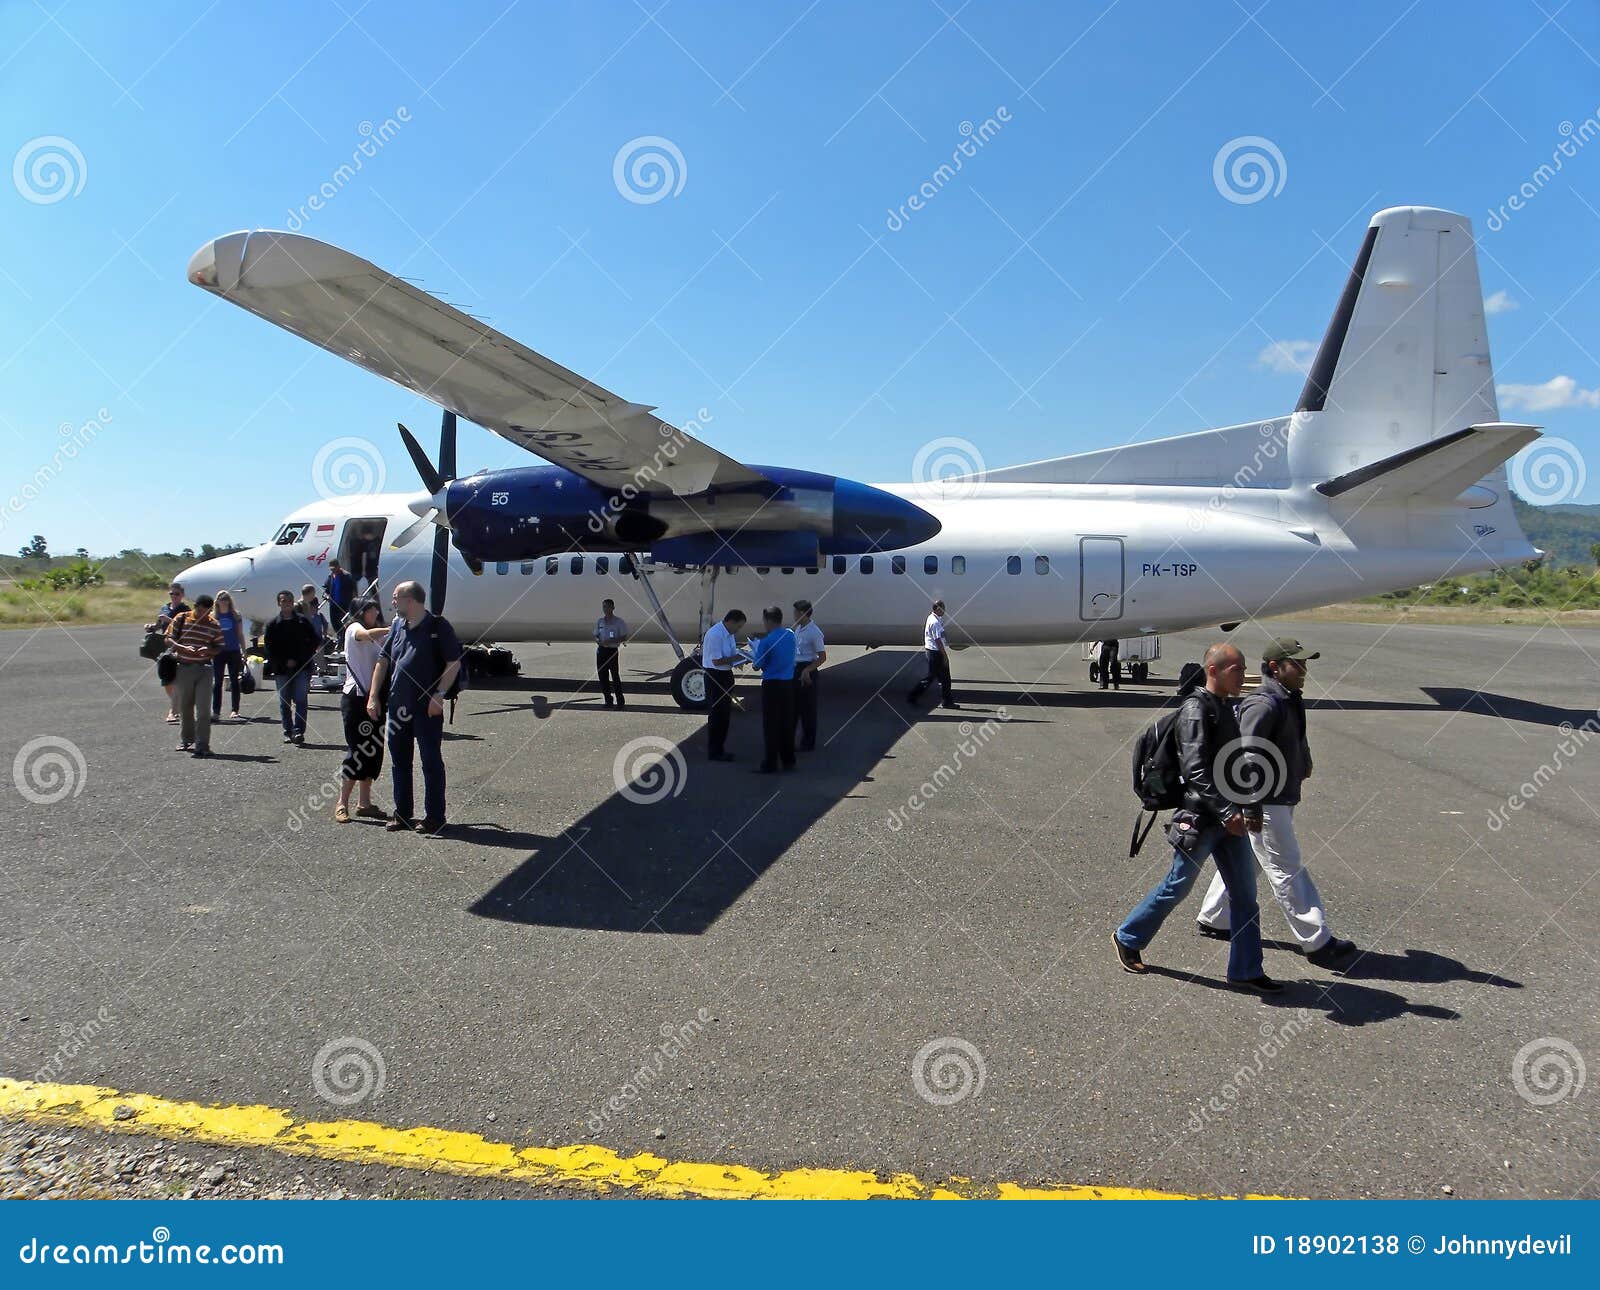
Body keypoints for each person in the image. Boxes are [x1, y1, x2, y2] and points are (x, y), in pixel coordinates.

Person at [1113, 642, 1281, 992]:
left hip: (1229, 818)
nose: (1243, 675)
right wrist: (1226, 812)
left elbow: (1236, 765)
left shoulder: (1227, 707)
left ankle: (1246, 969)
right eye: (1237, 669)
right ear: (1214, 671)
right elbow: (1195, 770)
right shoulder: (1195, 709)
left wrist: (1249, 807)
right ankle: (1128, 936)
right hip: (1201, 819)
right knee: (1177, 886)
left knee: (1245, 895)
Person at [1195, 638, 1357, 969]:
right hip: (1266, 802)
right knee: (1286, 868)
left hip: (1278, 797)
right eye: (1297, 664)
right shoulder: (1264, 703)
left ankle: (1214, 918)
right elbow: (1246, 755)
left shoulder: (1287, 699)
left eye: (1305, 663)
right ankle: (1317, 941)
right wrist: (1251, 805)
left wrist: (1304, 759)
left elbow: (1292, 738)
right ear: (1274, 667)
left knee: (1252, 861)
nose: (1304, 670)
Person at [368, 580, 463, 835]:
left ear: (411, 600)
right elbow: (383, 662)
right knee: (400, 762)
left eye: (396, 597)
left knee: (430, 761)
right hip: (398, 707)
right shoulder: (398, 626)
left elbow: (453, 663)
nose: (392, 602)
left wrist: (439, 695)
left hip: (426, 709)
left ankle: (434, 817)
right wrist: (374, 696)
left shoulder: (437, 626)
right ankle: (403, 814)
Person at [335, 598, 391, 824]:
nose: (376, 612)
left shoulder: (378, 634)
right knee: (357, 749)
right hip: (356, 698)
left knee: (373, 750)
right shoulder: (354, 628)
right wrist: (391, 628)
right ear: (361, 612)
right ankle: (341, 803)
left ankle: (364, 803)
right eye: (371, 609)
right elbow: (366, 636)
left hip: (375, 698)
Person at [165, 593, 224, 756]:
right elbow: (168, 639)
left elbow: (219, 646)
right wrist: (181, 647)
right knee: (185, 706)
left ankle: (203, 744)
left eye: (207, 612)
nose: (203, 615)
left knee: (204, 708)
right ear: (195, 607)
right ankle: (186, 740)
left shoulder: (214, 624)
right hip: (184, 667)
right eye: (201, 611)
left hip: (204, 668)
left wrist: (209, 650)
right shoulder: (181, 618)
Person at [263, 589, 320, 745]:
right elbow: (269, 648)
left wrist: (300, 658)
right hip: (281, 669)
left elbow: (315, 641)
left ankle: (298, 731)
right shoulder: (273, 625)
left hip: (302, 667)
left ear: (293, 602)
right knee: (284, 701)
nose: (287, 603)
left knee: (301, 699)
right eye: (283, 601)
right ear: (279, 603)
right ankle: (288, 731)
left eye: (289, 600)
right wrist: (283, 661)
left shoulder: (303, 621)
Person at [750, 606, 797, 774]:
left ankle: (770, 763)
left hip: (772, 685)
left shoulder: (766, 641)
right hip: (788, 684)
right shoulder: (790, 635)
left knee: (771, 725)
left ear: (768, 620)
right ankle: (788, 760)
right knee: (786, 723)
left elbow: (757, 665)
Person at [701, 609, 747, 762]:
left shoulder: (729, 634)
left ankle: (720, 749)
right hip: (715, 676)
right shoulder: (715, 634)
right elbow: (717, 661)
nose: (738, 630)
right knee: (717, 715)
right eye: (738, 626)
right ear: (731, 622)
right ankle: (714, 751)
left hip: (725, 675)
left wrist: (741, 660)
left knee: (725, 714)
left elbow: (731, 654)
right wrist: (739, 656)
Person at [147, 582, 189, 723]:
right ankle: (178, 705)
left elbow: (186, 628)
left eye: (177, 594)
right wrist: (151, 627)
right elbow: (159, 625)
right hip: (164, 647)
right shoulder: (165, 608)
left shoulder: (186, 610)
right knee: (165, 680)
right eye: (172, 593)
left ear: (182, 595)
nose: (174, 596)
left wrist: (170, 620)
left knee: (177, 679)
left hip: (179, 646)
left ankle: (173, 710)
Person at [907, 599, 959, 709]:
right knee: (931, 678)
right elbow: (938, 640)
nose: (944, 611)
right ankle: (912, 696)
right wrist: (945, 656)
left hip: (933, 652)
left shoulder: (932, 618)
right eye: (942, 609)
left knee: (945, 678)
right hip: (936, 653)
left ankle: (947, 701)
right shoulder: (935, 622)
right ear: (937, 609)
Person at [792, 599, 826, 752]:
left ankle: (808, 742)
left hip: (807, 669)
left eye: (795, 612)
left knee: (808, 709)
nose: (793, 615)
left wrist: (808, 670)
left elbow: (822, 657)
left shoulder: (814, 632)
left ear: (802, 613)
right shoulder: (799, 628)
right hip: (796, 669)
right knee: (795, 707)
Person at [211, 591, 247, 721]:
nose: (224, 601)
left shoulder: (235, 615)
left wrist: (244, 650)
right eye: (221, 599)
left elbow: (240, 634)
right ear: (217, 601)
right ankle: (216, 711)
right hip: (218, 652)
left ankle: (235, 709)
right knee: (217, 682)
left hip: (233, 651)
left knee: (234, 680)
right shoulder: (214, 616)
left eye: (226, 599)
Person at [593, 599, 629, 708]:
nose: (606, 609)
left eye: (608, 607)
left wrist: (611, 641)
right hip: (601, 651)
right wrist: (598, 640)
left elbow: (624, 637)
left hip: (612, 651)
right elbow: (596, 634)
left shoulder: (619, 622)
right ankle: (608, 700)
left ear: (613, 608)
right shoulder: (600, 621)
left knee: (615, 676)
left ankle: (620, 701)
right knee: (602, 676)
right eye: (604, 607)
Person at [323, 560, 354, 635]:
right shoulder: (330, 577)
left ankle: (344, 637)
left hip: (344, 604)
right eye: (331, 569)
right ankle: (340, 637)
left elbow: (353, 591)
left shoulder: (347, 576)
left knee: (346, 623)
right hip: (334, 605)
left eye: (334, 569)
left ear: (338, 566)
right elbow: (326, 590)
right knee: (335, 623)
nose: (333, 571)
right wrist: (326, 596)